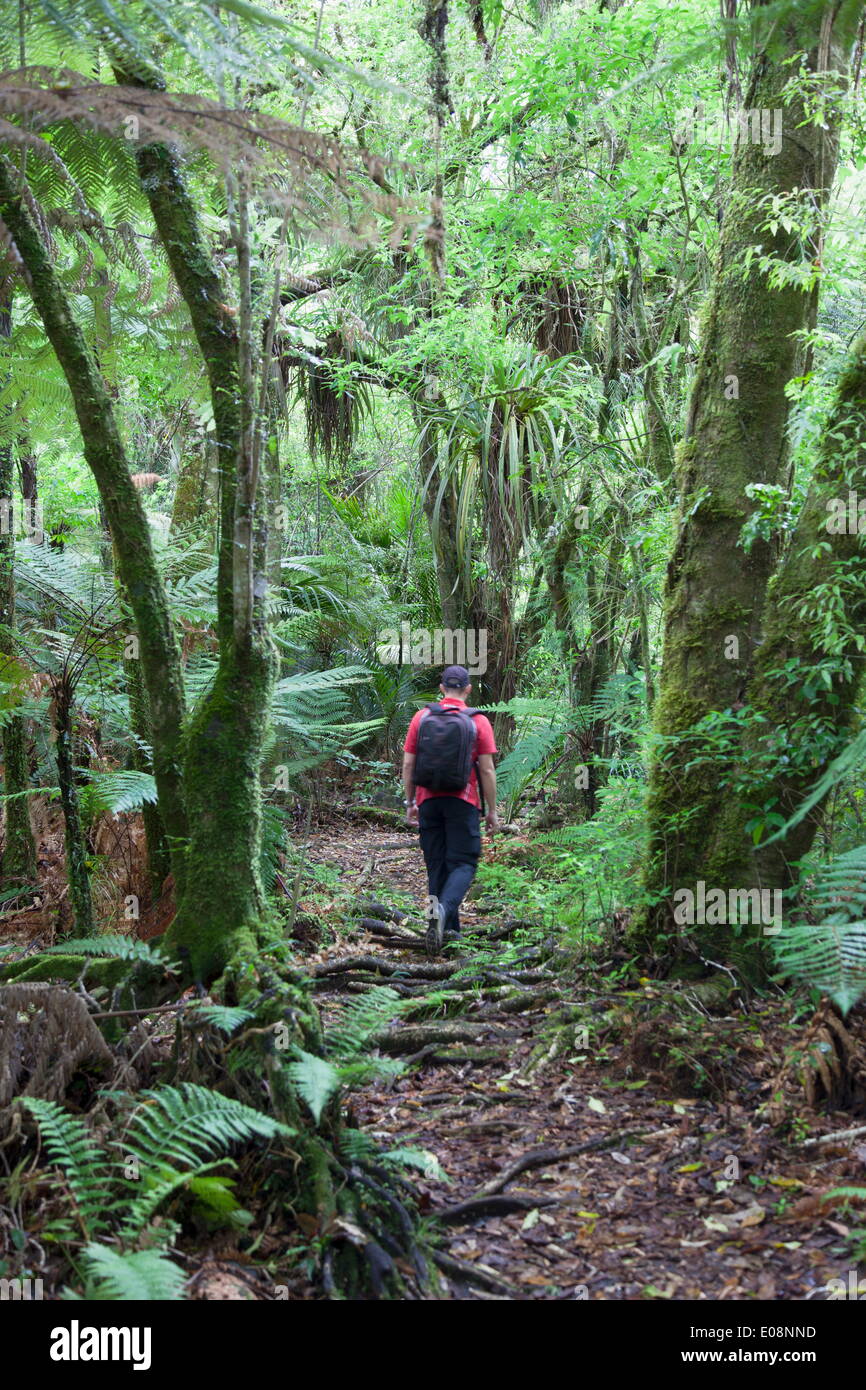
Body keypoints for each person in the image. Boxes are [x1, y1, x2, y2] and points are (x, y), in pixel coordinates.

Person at [402, 665, 499, 955]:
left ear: (442, 688)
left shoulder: (422, 717)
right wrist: (492, 810)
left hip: (428, 800)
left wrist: (410, 803)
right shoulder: (478, 722)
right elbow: (487, 770)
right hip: (463, 800)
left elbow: (408, 765)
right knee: (464, 863)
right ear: (468, 689)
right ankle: (443, 912)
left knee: (437, 864)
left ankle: (447, 929)